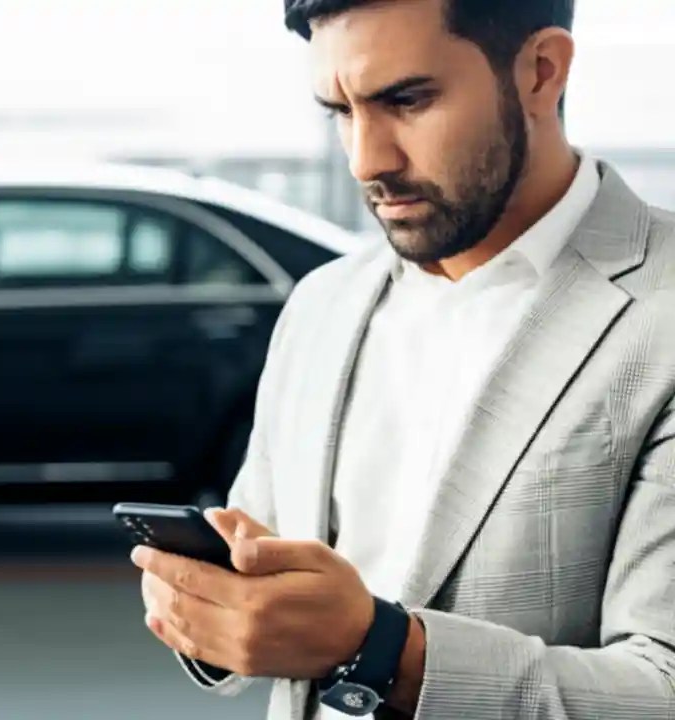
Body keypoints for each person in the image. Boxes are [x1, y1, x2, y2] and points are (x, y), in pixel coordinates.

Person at [131, 1, 675, 718]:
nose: (367, 160)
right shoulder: (323, 305)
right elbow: (265, 571)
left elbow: (660, 690)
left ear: (542, 73)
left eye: (407, 100)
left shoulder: (658, 314)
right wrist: (212, 610)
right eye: (341, 110)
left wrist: (383, 649)